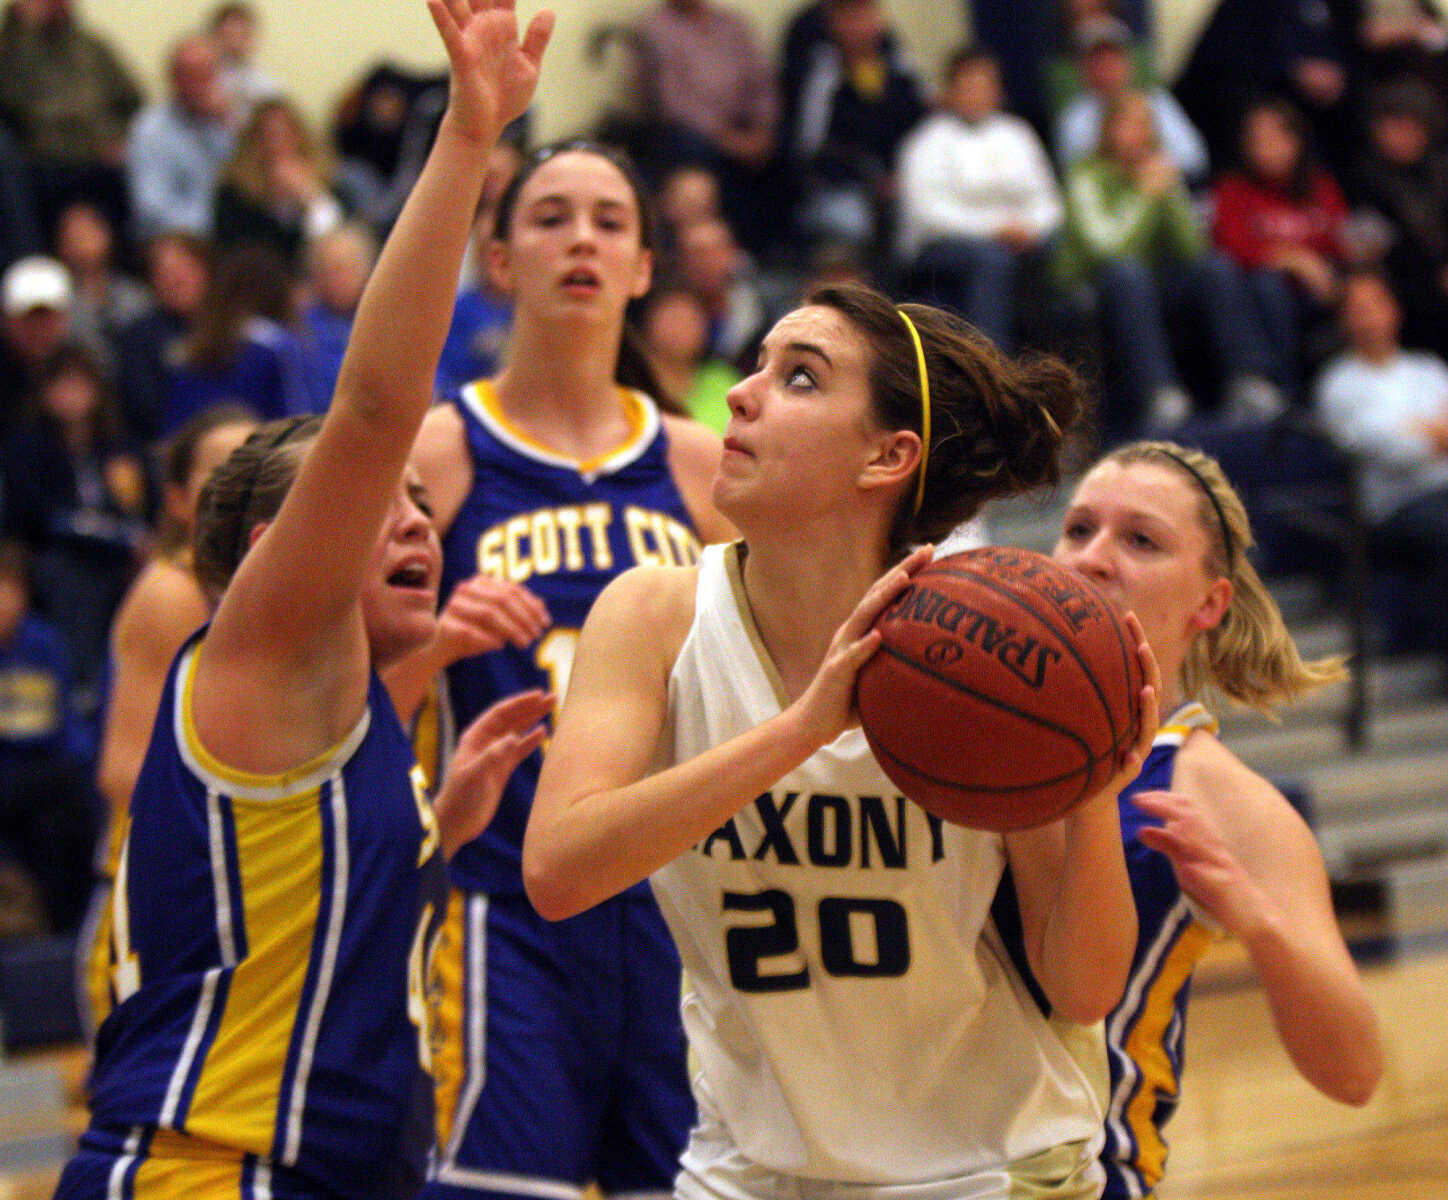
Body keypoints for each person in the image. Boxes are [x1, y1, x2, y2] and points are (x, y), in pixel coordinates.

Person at [53, 3, 555, 1196]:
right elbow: (378, 409)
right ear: (284, 552)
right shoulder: (259, 657)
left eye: (426, 510)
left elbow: (305, 933)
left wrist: (442, 828)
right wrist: (468, 134)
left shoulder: (337, 722)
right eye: (386, 506)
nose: (417, 524)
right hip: (212, 1174)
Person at [524, 280, 1159, 1196]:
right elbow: (556, 869)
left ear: (886, 456)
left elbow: (1084, 989)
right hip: (749, 1170)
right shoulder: (653, 615)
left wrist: (1092, 786)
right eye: (759, 366)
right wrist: (803, 729)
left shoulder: (994, 649)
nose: (741, 393)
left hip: (983, 1168)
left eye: (801, 378)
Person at [403, 135, 733, 1200]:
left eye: (608, 219)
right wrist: (433, 640)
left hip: (684, 917)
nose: (579, 238)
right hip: (503, 913)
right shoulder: (439, 452)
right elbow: (346, 692)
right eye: (548, 217)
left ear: (642, 267)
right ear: (498, 260)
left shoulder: (701, 463)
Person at [1050, 439, 1384, 1197]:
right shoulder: (961, 732)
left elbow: (1356, 1071)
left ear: (1210, 602)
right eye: (1078, 529)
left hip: (1086, 1178)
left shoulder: (1217, 795)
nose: (1094, 557)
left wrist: (1258, 920)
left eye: (1140, 540)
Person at [80, 404, 258, 1037]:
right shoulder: (173, 593)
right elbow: (123, 773)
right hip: (156, 903)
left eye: (256, 464)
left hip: (230, 894)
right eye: (223, 471)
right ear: (180, 501)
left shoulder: (269, 590)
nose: (243, 483)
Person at [1055, 91, 1283, 433]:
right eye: (1125, 124)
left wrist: (1171, 192)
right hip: (1096, 283)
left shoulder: (1159, 169)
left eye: (1143, 124)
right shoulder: (1086, 174)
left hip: (1153, 280)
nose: (1135, 133)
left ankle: (1249, 380)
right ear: (1108, 129)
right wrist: (1145, 196)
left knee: (1215, 268)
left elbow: (1192, 249)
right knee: (1128, 275)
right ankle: (1160, 393)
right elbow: (1107, 249)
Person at [1314, 267, 1448, 672]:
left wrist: (1421, 433)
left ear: (1395, 311)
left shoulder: (1429, 369)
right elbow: (1387, 449)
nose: (1369, 315)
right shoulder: (1338, 384)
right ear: (1344, 320)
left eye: (1377, 303)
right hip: (1392, 509)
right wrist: (1433, 433)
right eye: (1357, 308)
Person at [895, 43, 1064, 354]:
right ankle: (992, 368)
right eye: (969, 84)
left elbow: (1049, 200)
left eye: (986, 84)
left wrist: (1031, 229)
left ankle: (1053, 373)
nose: (978, 92)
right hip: (942, 248)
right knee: (990, 260)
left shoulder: (1018, 134)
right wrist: (995, 230)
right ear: (950, 89)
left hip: (1021, 240)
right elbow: (928, 213)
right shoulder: (928, 140)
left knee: (1062, 254)